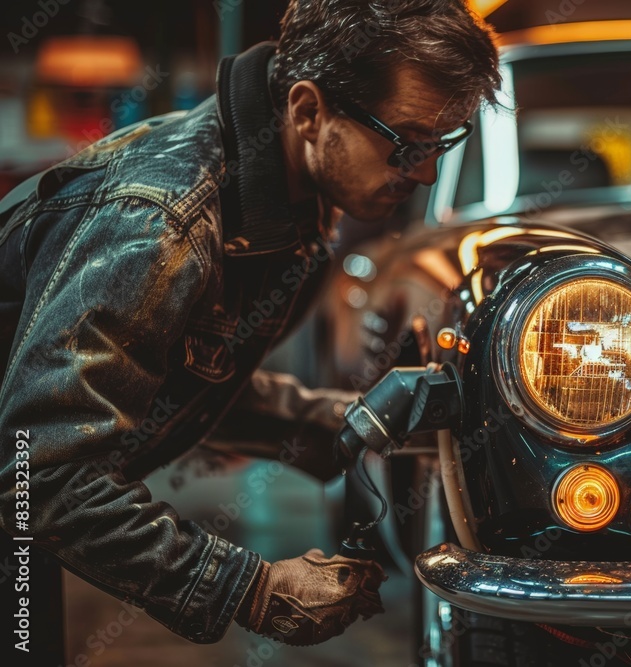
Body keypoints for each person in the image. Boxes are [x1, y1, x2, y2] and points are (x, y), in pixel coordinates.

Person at [0, 0, 500, 648]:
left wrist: (352, 424)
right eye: (406, 141)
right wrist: (246, 584)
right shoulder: (161, 224)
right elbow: (36, 471)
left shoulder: (280, 191)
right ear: (308, 110)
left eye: (443, 142)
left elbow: (165, 373)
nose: (427, 170)